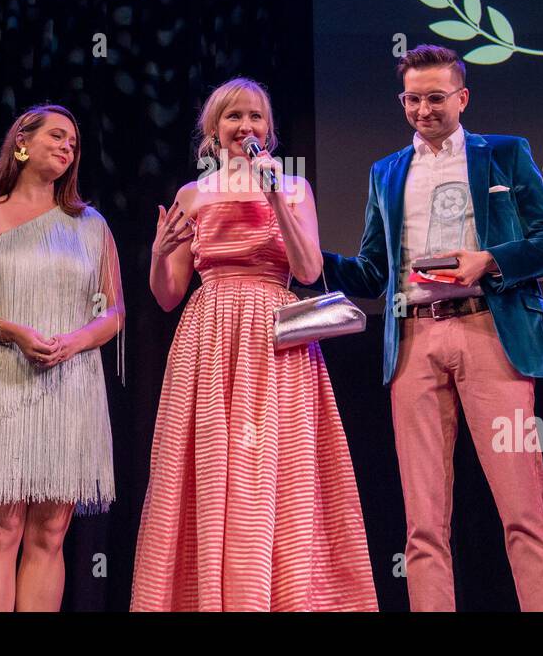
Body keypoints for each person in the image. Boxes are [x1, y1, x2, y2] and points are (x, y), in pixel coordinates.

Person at [319, 44, 543, 612]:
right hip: (413, 340)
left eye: (436, 97)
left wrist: (491, 260)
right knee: (423, 521)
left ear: (462, 97)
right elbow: (372, 272)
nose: (424, 109)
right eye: (413, 98)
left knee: (523, 510)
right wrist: (309, 259)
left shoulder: (505, 154)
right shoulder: (385, 171)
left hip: (489, 331)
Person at [132, 77, 377, 611]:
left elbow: (310, 269)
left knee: (274, 467)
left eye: (256, 117)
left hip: (275, 333)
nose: (246, 127)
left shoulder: (293, 188)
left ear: (269, 128)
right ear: (213, 130)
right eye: (234, 117)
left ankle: (278, 594)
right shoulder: (192, 195)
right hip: (209, 334)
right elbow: (169, 294)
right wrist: (156, 253)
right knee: (206, 467)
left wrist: (275, 198)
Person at [0, 105, 123, 612]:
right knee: (1, 525)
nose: (68, 147)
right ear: (21, 142)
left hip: (70, 383)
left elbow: (114, 313)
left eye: (74, 142)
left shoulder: (92, 225)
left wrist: (77, 340)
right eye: (57, 136)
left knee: (50, 530)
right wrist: (14, 332)